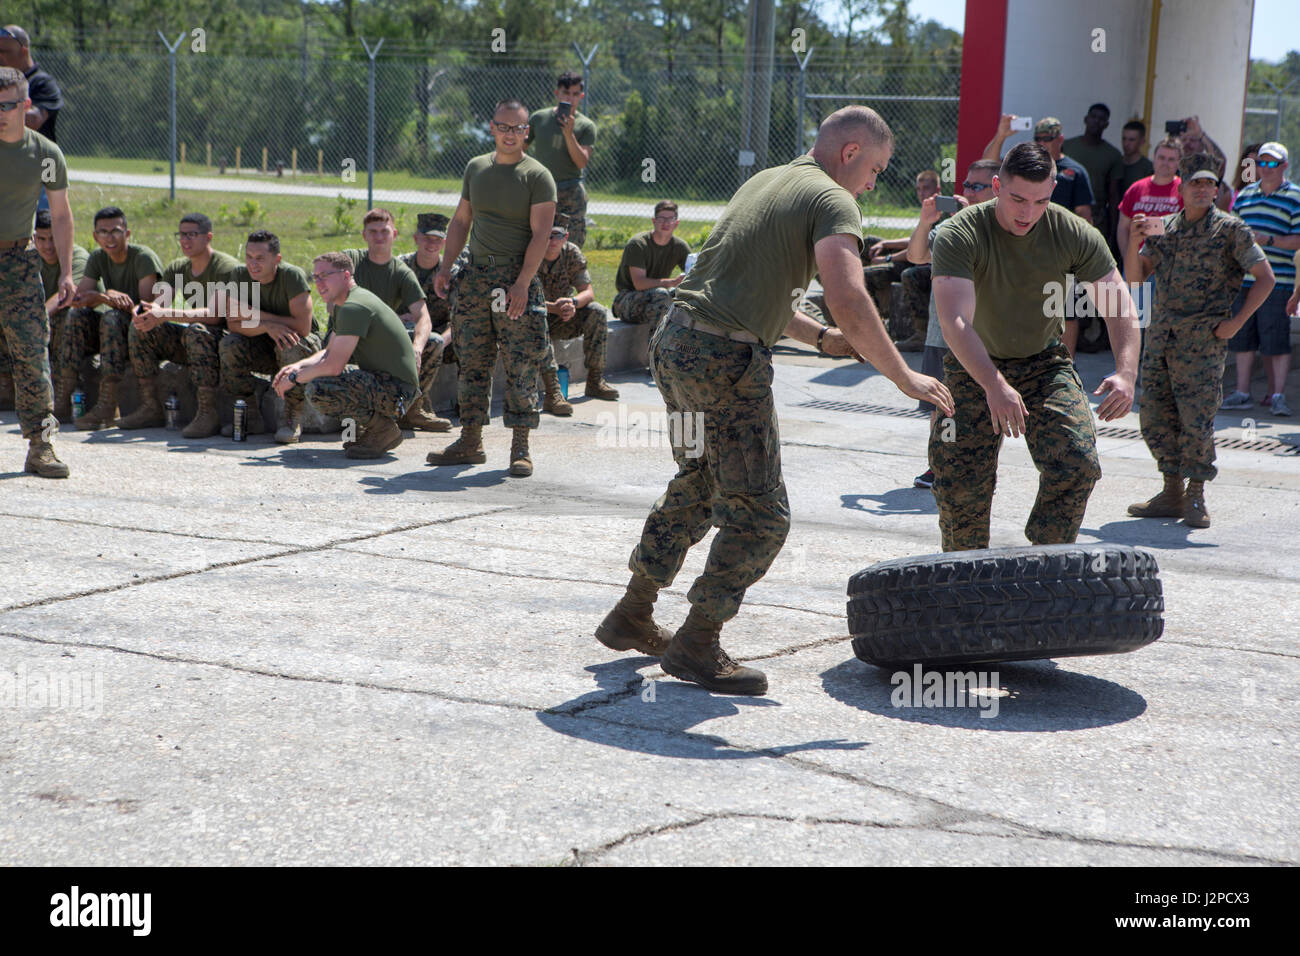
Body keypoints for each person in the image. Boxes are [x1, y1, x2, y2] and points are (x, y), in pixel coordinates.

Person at [594, 106, 952, 696]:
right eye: (876, 169)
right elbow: (848, 294)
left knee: (700, 483)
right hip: (724, 366)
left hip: (676, 345)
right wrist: (903, 377)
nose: (872, 183)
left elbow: (750, 286)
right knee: (762, 514)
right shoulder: (835, 201)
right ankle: (698, 642)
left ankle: (633, 611)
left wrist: (820, 338)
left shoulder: (766, 182)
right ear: (850, 152)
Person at [929, 142, 1140, 553]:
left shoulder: (1071, 231)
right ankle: (965, 578)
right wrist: (993, 383)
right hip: (973, 367)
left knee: (1077, 463)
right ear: (996, 186)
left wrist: (1127, 371)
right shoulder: (960, 233)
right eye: (1017, 199)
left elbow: (1121, 306)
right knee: (959, 485)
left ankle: (1044, 559)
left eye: (1041, 200)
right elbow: (955, 322)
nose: (1028, 213)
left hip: (1043, 363)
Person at [1123, 154, 1274, 529]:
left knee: (1196, 421)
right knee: (1155, 416)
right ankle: (1171, 491)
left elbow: (1265, 278)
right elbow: (1137, 280)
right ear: (1182, 187)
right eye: (1197, 183)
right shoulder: (1164, 228)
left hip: (1203, 343)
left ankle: (1195, 495)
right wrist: (1133, 241)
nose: (1205, 190)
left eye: (1211, 184)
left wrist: (1236, 324)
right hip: (1161, 339)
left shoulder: (1230, 229)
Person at [427, 98, 556, 478]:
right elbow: (461, 221)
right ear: (492, 127)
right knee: (473, 362)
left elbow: (541, 234)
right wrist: (446, 266)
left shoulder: (537, 176)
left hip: (515, 280)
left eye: (518, 128)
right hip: (474, 280)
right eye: (504, 126)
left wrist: (521, 283)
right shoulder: (476, 168)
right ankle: (470, 441)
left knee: (519, 362)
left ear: (527, 131)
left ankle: (520, 446)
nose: (510, 134)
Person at [906, 158, 999, 488]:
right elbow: (916, 256)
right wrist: (926, 222)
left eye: (978, 187)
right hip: (941, 333)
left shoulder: (1001, 230)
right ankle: (938, 465)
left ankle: (970, 467)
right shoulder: (948, 229)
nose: (969, 193)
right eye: (967, 186)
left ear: (997, 189)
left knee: (975, 405)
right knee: (939, 402)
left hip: (981, 334)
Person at [272, 253, 420, 460]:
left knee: (320, 387)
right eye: (316, 277)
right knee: (323, 377)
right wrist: (296, 367)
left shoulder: (354, 307)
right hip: (389, 384)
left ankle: (383, 430)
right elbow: (328, 351)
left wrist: (295, 379)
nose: (319, 283)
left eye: (325, 275)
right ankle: (367, 431)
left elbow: (333, 366)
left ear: (346, 275)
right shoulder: (346, 304)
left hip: (398, 392)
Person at [0, 65, 73, 477]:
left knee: (31, 353)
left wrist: (65, 272)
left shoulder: (44, 154)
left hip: (18, 261)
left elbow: (61, 216)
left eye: (8, 105)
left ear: (26, 105)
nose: (0, 113)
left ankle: (41, 446)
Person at [122, 212, 240, 433]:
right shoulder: (178, 267)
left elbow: (215, 315)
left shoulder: (226, 267)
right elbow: (160, 305)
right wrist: (146, 314)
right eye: (182, 234)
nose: (185, 240)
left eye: (192, 235)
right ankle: (150, 407)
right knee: (141, 329)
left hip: (225, 341)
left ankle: (208, 412)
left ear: (208, 237)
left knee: (197, 331)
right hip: (194, 338)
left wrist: (165, 313)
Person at [343, 208, 448, 432]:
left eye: (384, 231)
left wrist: (417, 348)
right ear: (364, 235)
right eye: (373, 232)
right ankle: (362, 418)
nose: (379, 237)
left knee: (434, 342)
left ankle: (411, 408)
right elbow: (329, 300)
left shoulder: (401, 271)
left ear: (394, 234)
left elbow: (423, 317)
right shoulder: (350, 261)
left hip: (381, 341)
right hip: (350, 337)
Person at [216, 230, 322, 442]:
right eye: (249, 257)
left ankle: (292, 416)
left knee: (290, 343)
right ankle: (250, 415)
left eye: (260, 258)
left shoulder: (291, 276)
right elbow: (233, 323)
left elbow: (303, 327)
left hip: (301, 346)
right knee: (230, 344)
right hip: (263, 341)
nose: (253, 264)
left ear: (277, 259)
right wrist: (266, 326)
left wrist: (257, 317)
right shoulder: (240, 275)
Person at [65, 206, 163, 430]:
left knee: (111, 318)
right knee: (76, 315)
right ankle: (64, 395)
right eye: (103, 232)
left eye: (116, 231)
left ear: (127, 234)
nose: (110, 238)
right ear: (95, 236)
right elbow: (79, 299)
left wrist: (104, 300)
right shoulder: (98, 257)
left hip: (145, 329)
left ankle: (109, 404)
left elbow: (146, 309)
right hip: (117, 327)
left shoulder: (143, 258)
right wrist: (104, 296)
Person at [1222, 142, 1300, 417]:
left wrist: (1266, 239)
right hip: (1244, 279)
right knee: (1243, 336)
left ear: (1284, 166)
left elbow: (1298, 240)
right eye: (1262, 163)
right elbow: (1231, 234)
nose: (1265, 169)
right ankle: (1242, 392)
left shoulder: (1295, 197)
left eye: (1272, 164)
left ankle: (1277, 394)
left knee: (1275, 338)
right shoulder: (1244, 197)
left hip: (1278, 280)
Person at [0, 209, 95, 420]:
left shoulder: (77, 257)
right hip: (42, 327)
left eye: (53, 238)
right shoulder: (28, 258)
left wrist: (32, 319)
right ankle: (7, 383)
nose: (48, 245)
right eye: (41, 239)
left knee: (67, 316)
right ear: (33, 238)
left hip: (80, 329)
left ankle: (62, 394)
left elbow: (66, 297)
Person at [536, 215, 618, 415]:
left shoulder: (571, 253)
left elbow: (588, 292)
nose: (553, 241)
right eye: (548, 235)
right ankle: (553, 392)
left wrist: (572, 303)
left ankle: (595, 380)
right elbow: (519, 297)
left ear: (566, 237)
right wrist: (551, 307)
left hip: (564, 315)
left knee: (597, 312)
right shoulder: (530, 252)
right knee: (535, 318)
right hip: (536, 315)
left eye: (558, 235)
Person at [398, 212, 458, 426]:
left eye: (437, 240)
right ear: (416, 238)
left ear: (444, 242)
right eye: (427, 238)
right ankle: (417, 406)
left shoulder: (452, 273)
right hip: (402, 333)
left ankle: (467, 404)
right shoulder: (400, 267)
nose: (432, 244)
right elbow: (379, 306)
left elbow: (459, 319)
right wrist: (397, 317)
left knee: (473, 339)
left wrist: (437, 342)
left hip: (444, 336)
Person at [526, 72, 595, 248]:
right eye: (565, 93)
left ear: (581, 96)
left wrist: (568, 134)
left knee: (571, 246)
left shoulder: (586, 125)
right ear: (557, 93)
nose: (570, 99)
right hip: (541, 190)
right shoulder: (538, 119)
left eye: (574, 94)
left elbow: (581, 162)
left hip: (571, 192)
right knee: (535, 240)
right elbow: (519, 150)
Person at [983, 115, 1094, 222]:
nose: (1041, 143)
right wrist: (1001, 136)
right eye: (1038, 138)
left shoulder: (1075, 171)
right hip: (1026, 227)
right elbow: (988, 166)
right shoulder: (1026, 163)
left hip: (1057, 233)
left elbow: (1083, 213)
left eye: (1047, 138)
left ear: (1060, 139)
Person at [610, 200, 691, 326]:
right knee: (663, 295)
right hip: (627, 299)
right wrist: (671, 282)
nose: (666, 223)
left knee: (681, 298)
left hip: (658, 299)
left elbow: (693, 273)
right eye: (661, 219)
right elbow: (639, 284)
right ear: (654, 221)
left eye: (670, 219)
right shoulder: (638, 244)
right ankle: (655, 345)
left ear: (676, 223)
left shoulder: (680, 247)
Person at [1063, 103, 1124, 244]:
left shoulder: (1113, 155)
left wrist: (1113, 231)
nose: (1096, 121)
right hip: (1066, 211)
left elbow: (1113, 195)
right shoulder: (1067, 146)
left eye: (1101, 119)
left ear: (1106, 124)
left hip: (1096, 218)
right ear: (1086, 119)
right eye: (1093, 117)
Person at [1116, 137, 1183, 251]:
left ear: (1179, 163)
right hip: (1138, 261)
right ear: (1154, 158)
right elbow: (1123, 228)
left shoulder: (1185, 190)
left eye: (1171, 159)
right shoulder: (1136, 188)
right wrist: (1127, 258)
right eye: (1161, 158)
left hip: (1171, 263)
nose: (1165, 163)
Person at [0, 26, 60, 141]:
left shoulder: (42, 83)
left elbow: (33, 120)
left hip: (36, 156)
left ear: (23, 52)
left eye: (3, 52)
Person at [1117, 120, 1155, 202]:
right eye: (1124, 139)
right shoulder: (1116, 162)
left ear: (1142, 142)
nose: (1126, 143)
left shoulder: (1148, 168)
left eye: (1131, 140)